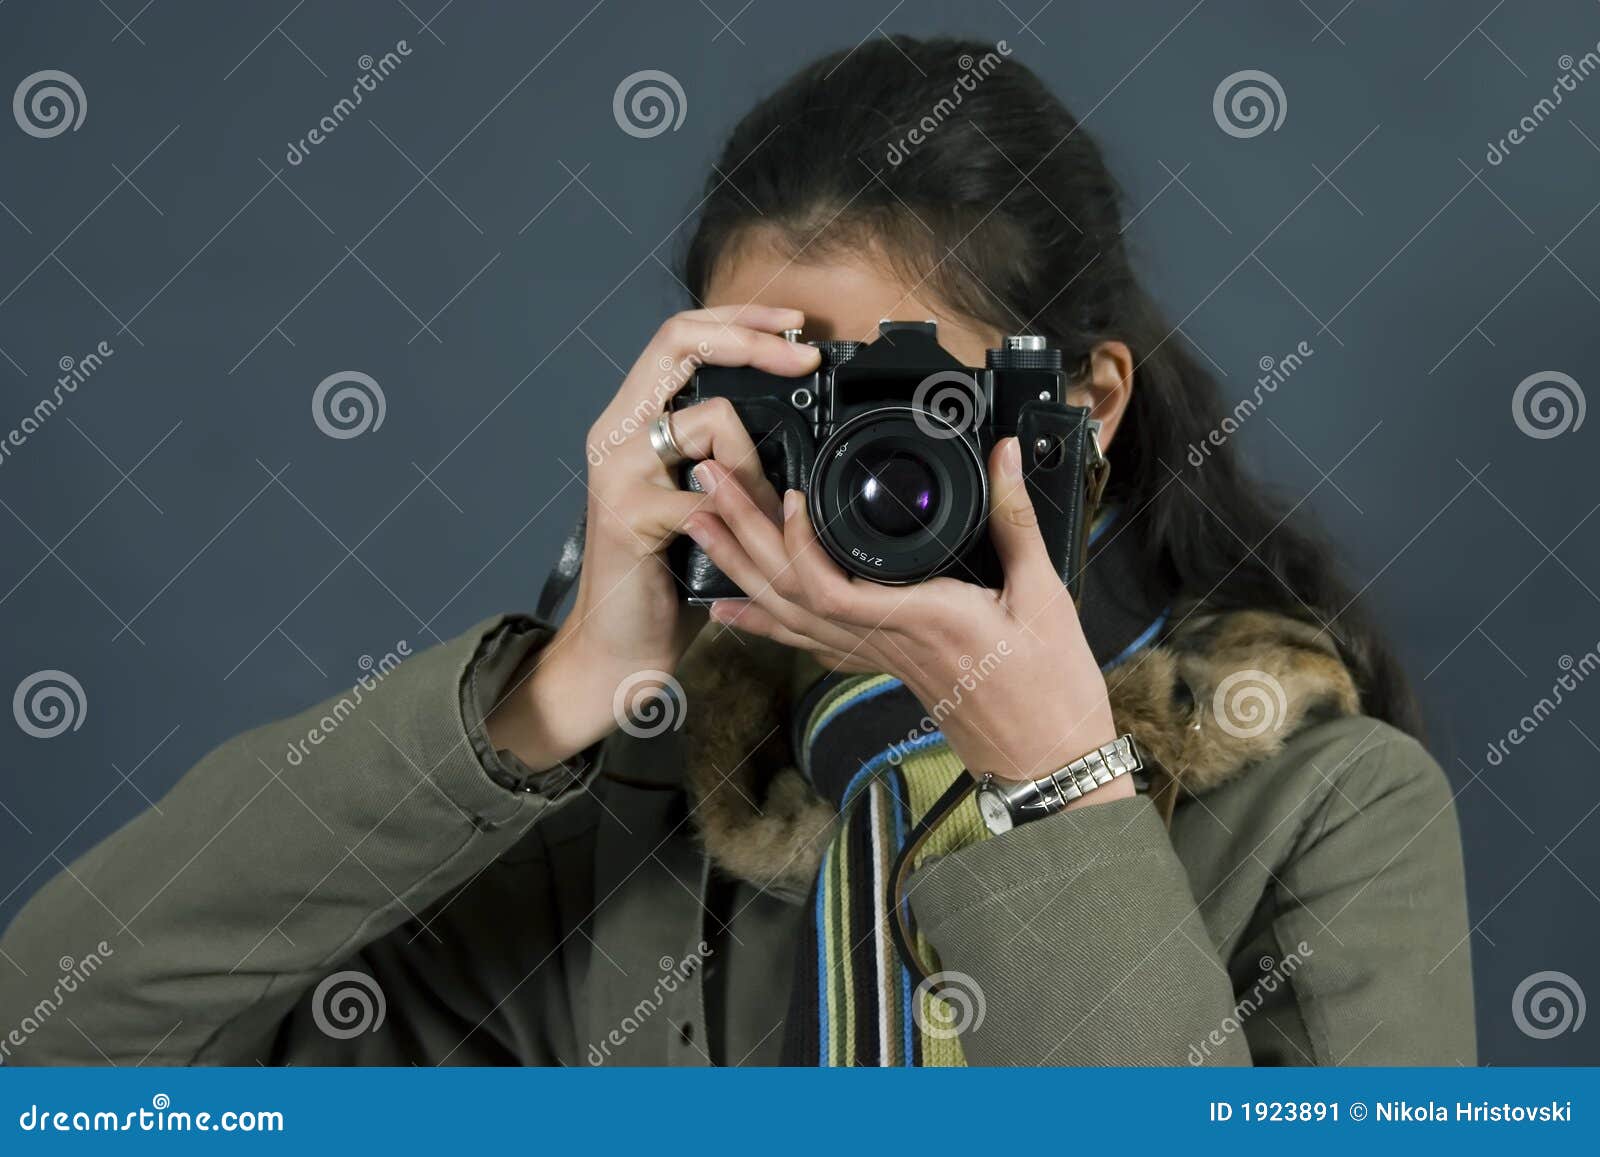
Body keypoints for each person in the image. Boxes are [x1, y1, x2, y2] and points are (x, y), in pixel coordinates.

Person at [0, 36, 1472, 1067]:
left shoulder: (1320, 812)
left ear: (1080, 405)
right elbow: (50, 1048)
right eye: (796, 402)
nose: (853, 474)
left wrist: (1063, 783)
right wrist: (561, 687)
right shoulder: (623, 845)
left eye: (918, 407)